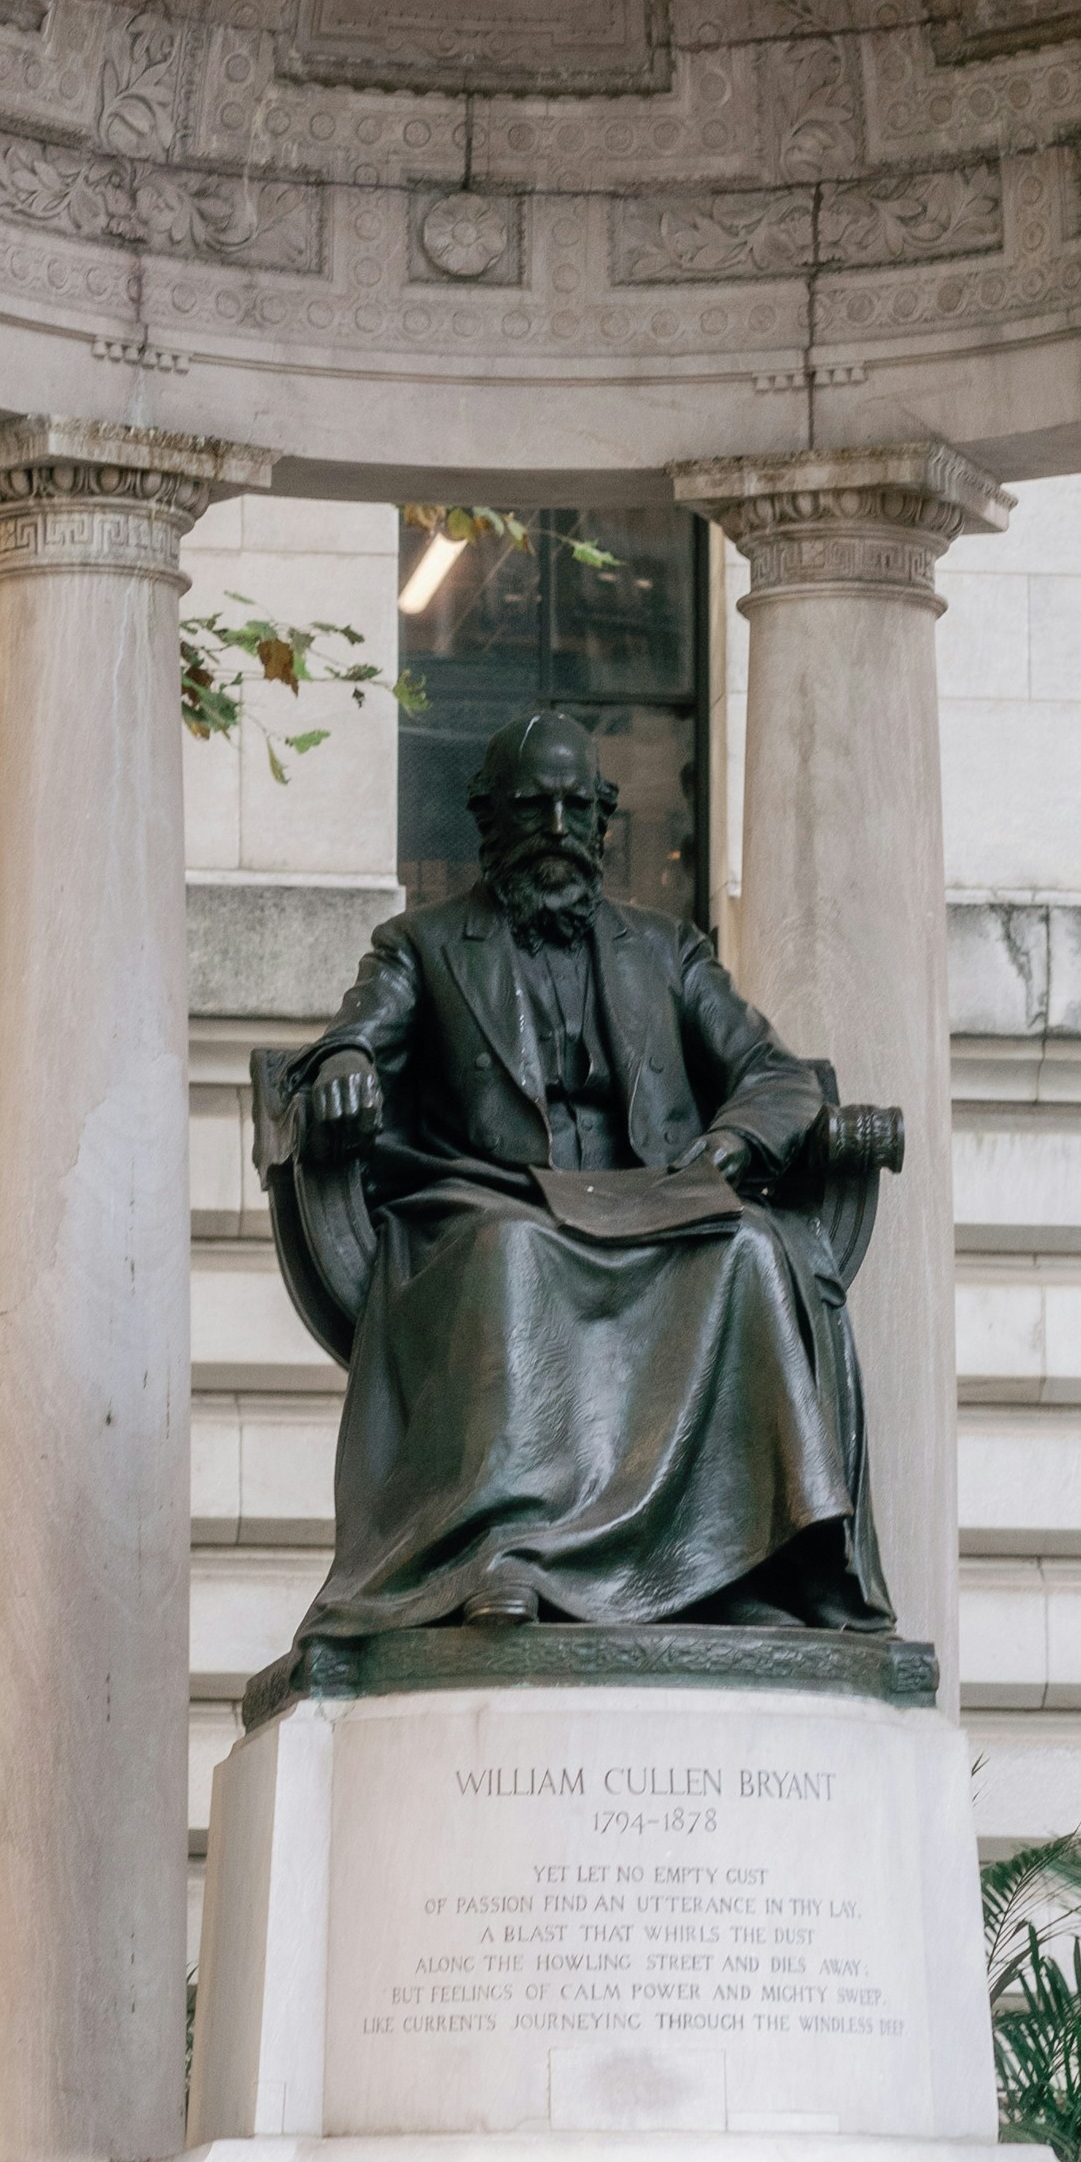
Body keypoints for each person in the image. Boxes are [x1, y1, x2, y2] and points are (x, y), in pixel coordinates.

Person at [280, 703, 899, 1641]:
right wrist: (342, 1071)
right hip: (494, 1200)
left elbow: (773, 1075)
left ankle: (780, 1556)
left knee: (750, 1253)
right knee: (514, 1251)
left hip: (659, 1205)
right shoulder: (422, 946)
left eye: (578, 810)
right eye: (534, 810)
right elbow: (354, 1037)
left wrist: (727, 1150)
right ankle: (502, 1557)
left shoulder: (668, 949)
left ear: (605, 823)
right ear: (491, 824)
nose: (559, 834)